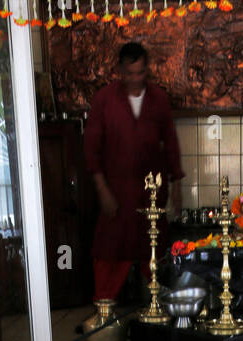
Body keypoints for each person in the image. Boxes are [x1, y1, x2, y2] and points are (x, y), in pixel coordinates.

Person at [83, 41, 184, 310]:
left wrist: (176, 186)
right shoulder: (104, 100)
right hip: (115, 193)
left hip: (151, 194)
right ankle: (104, 312)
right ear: (120, 71)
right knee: (109, 252)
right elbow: (91, 149)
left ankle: (158, 310)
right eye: (130, 73)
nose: (135, 79)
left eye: (140, 73)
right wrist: (102, 190)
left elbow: (171, 143)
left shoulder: (158, 99)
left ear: (147, 70)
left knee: (153, 250)